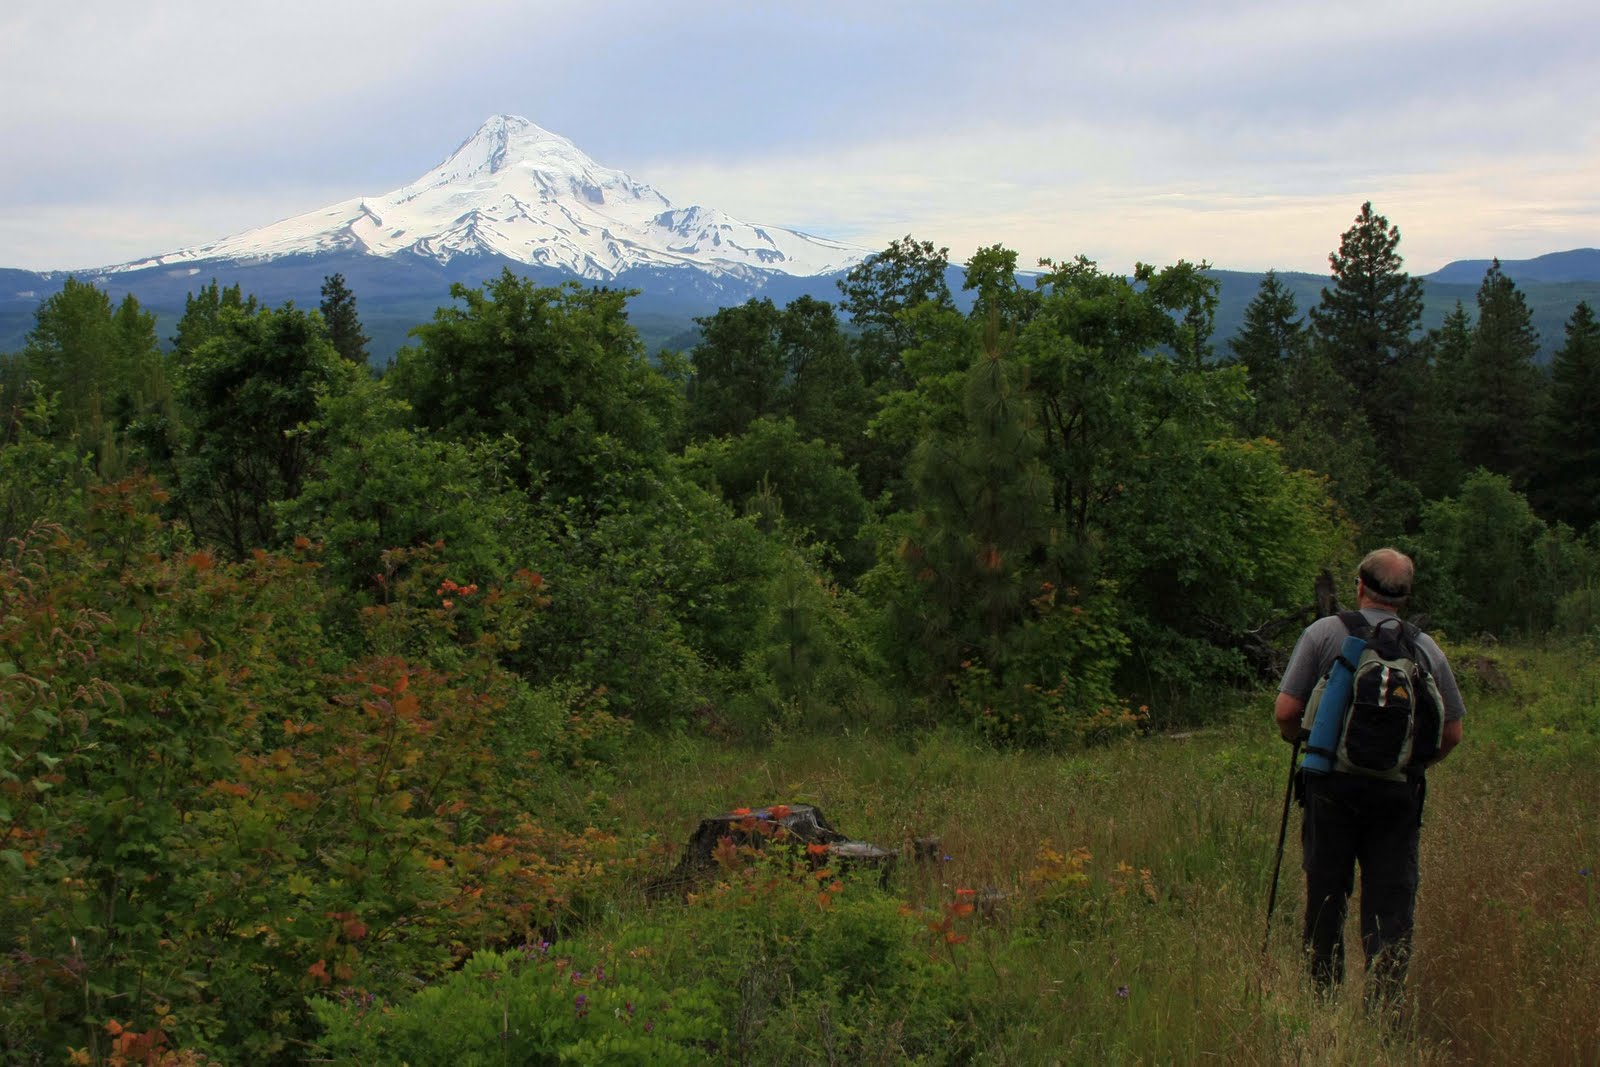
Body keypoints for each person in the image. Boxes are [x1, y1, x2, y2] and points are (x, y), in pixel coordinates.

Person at [1273, 547, 1466, 1013]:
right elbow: (1453, 732)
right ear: (1404, 595)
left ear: (1360, 584)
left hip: (1331, 790)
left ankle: (1321, 1003)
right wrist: (1409, 765)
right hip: (1398, 794)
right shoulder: (1423, 646)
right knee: (1390, 903)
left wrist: (1310, 744)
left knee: (1326, 893)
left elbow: (1285, 712)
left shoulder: (1324, 634)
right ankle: (1383, 1012)